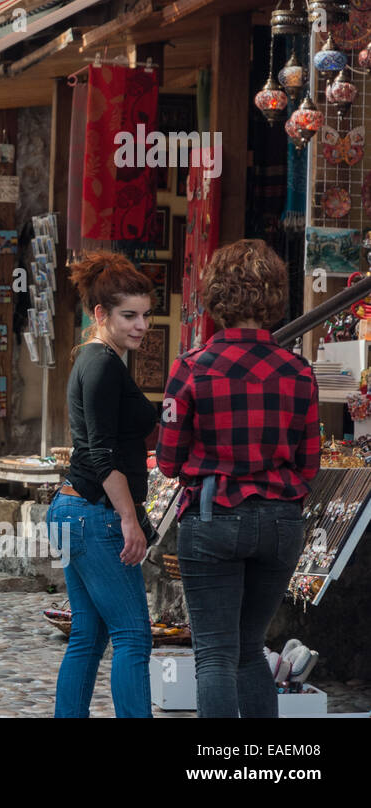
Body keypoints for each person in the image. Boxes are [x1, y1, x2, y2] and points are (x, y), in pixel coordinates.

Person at [158, 240, 318, 718]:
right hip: (280, 522)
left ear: (216, 296)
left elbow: (168, 461)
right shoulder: (300, 372)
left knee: (215, 655)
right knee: (251, 649)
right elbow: (308, 464)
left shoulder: (190, 368)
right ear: (274, 297)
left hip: (213, 515)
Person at [47, 251, 159, 718]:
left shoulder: (107, 361)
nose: (141, 326)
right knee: (134, 635)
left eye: (146, 315)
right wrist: (130, 519)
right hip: (95, 515)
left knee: (89, 637)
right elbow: (99, 452)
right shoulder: (101, 364)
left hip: (75, 512)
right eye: (129, 316)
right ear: (100, 315)